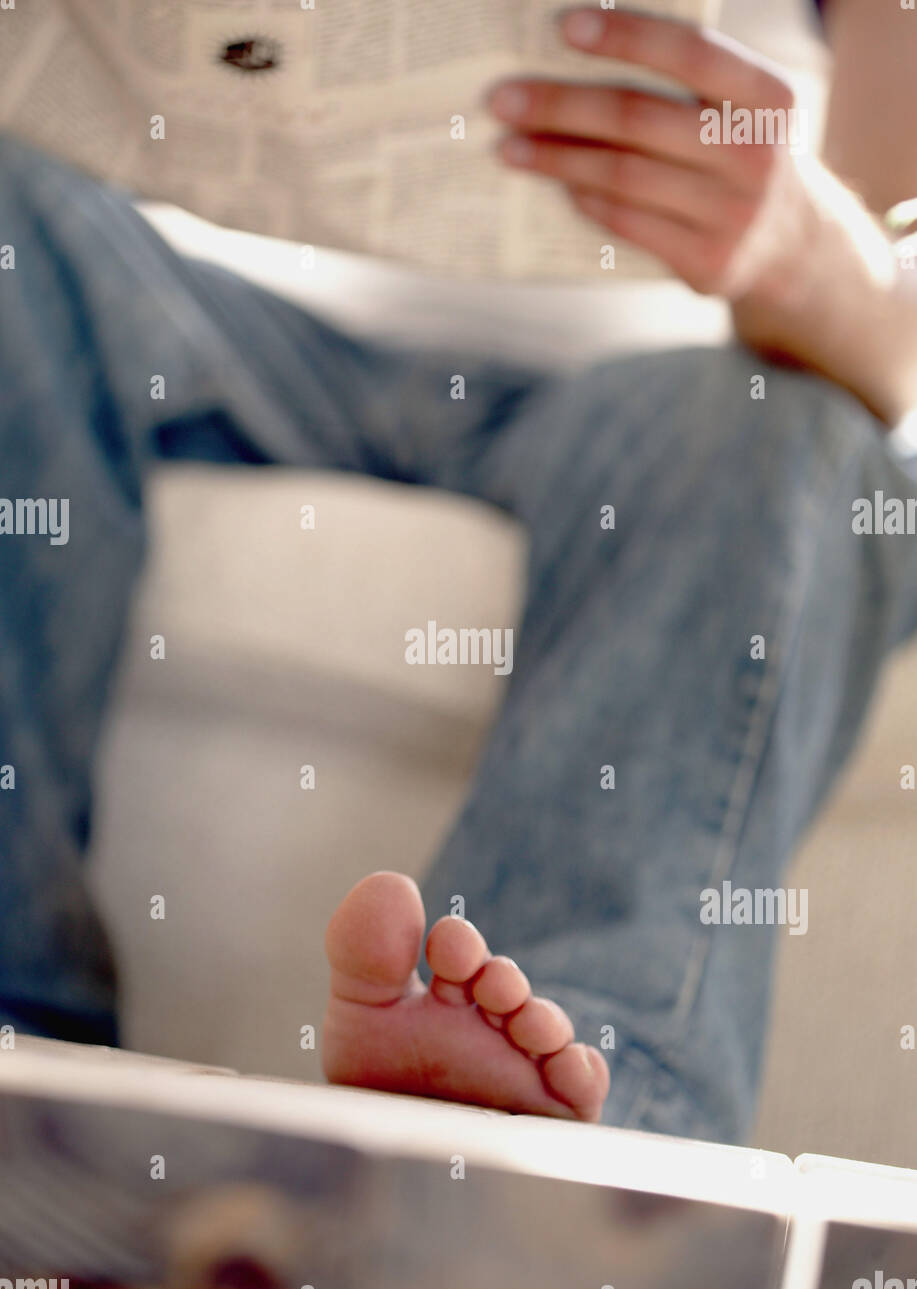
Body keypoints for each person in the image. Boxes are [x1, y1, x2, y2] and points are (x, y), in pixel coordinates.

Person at [1, 4, 916, 1142]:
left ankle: (564, 1118)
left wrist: (807, 251)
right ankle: (21, 1074)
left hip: (672, 386)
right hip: (171, 300)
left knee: (788, 443)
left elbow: (894, 365)